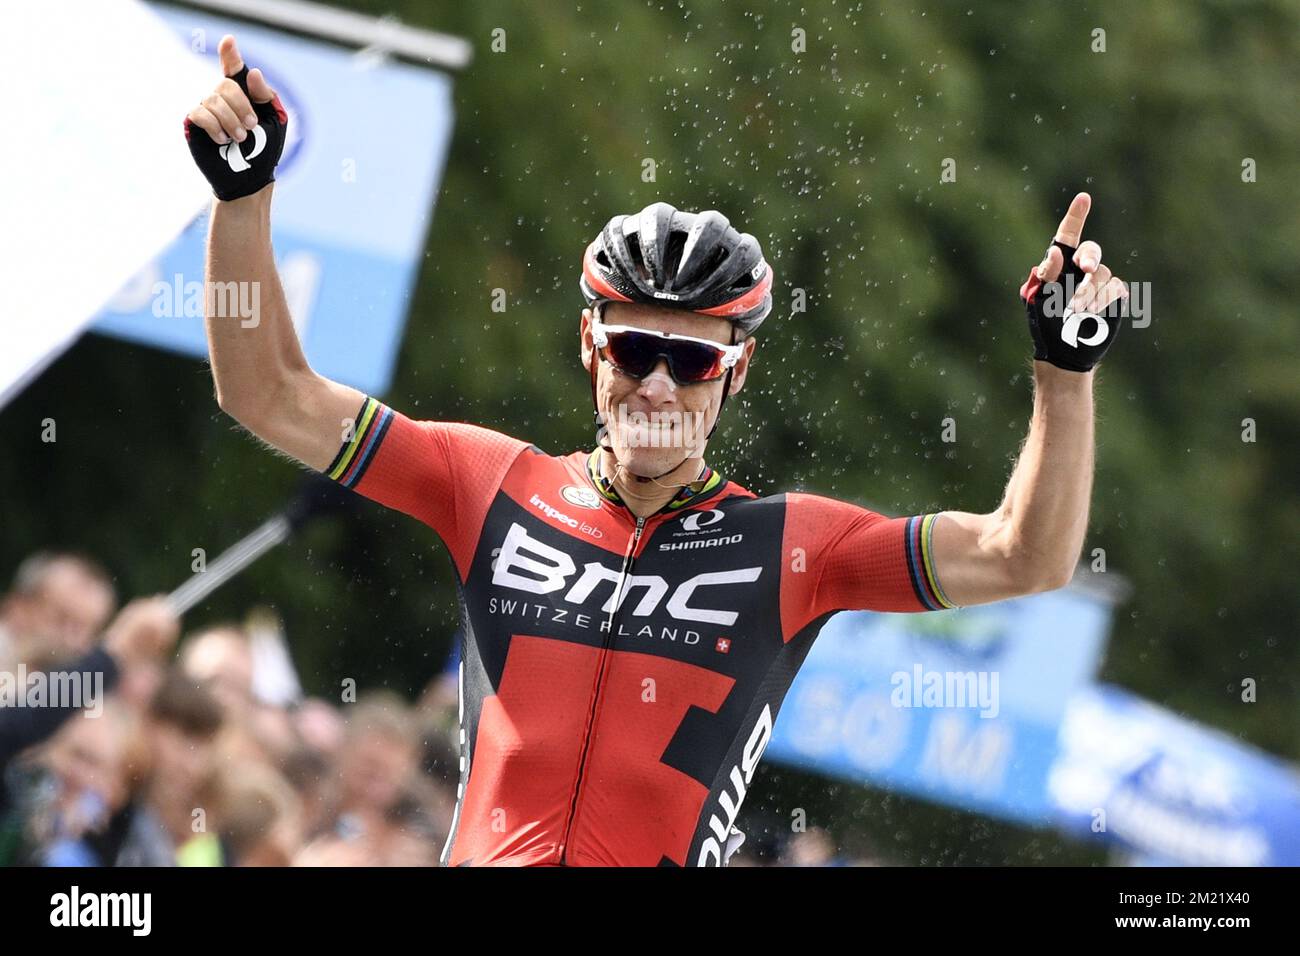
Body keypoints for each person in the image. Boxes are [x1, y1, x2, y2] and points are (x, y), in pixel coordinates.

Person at [184, 36, 1128, 867]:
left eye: (691, 359)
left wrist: (1063, 375)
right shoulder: (489, 482)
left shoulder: (797, 545)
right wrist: (242, 199)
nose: (660, 385)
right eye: (637, 350)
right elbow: (267, 393)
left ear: (737, 373)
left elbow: (1026, 556)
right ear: (593, 350)